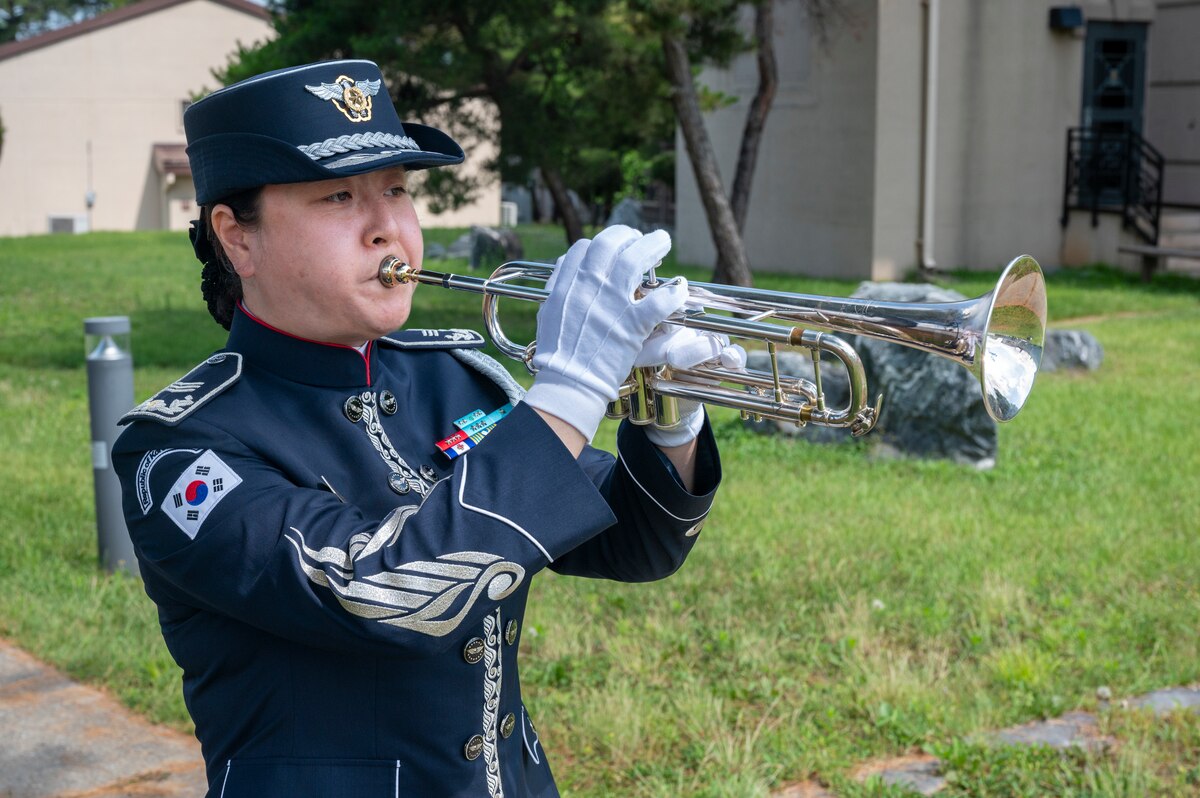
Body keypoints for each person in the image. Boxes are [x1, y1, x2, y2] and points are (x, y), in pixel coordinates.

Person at [113, 59, 739, 798]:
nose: (387, 227)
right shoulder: (179, 448)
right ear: (237, 238)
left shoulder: (453, 378)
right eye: (339, 196)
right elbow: (381, 593)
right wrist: (571, 389)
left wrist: (668, 410)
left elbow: (636, 541)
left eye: (397, 190)